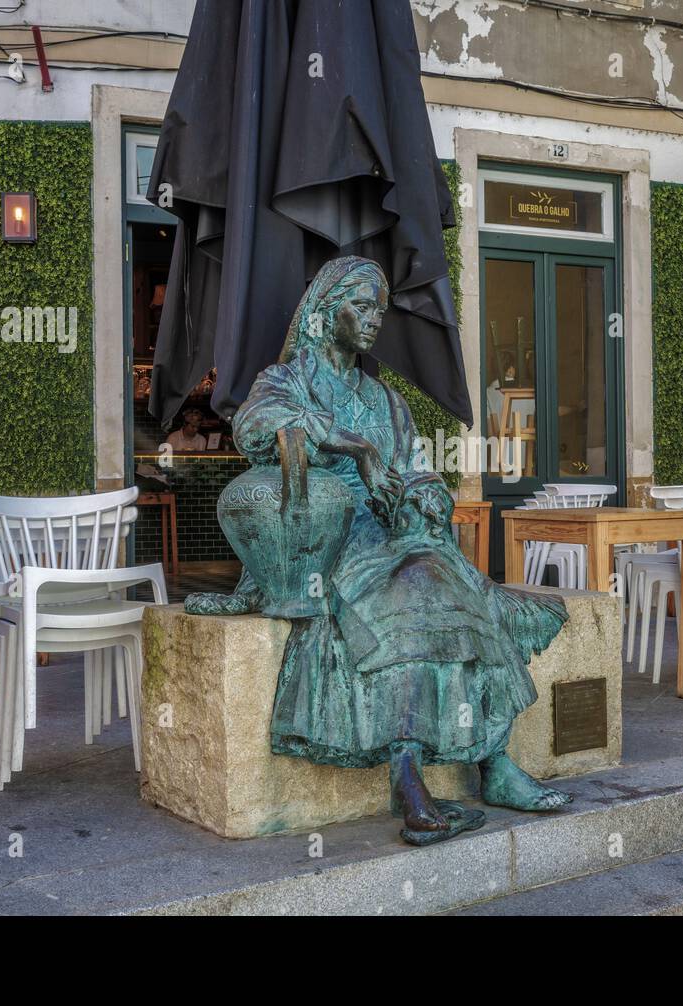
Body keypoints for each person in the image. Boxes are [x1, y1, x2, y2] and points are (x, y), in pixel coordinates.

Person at [187, 256, 572, 844]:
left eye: (379, 311)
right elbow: (256, 427)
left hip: (396, 539)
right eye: (360, 307)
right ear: (324, 309)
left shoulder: (389, 402)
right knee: (418, 589)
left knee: (452, 586)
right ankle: (408, 770)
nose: (373, 321)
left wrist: (424, 500)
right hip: (326, 546)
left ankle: (493, 762)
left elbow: (418, 474)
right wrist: (356, 449)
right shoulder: (285, 380)